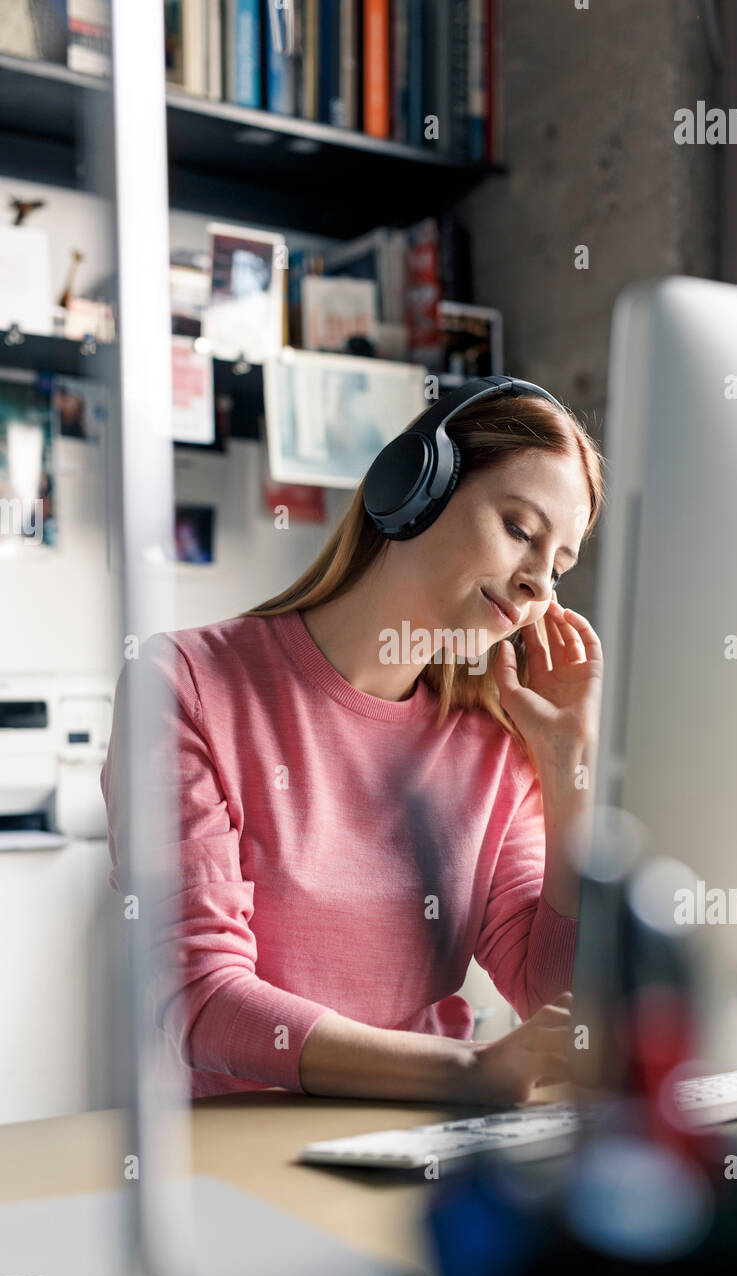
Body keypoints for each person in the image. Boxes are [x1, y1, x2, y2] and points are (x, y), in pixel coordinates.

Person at [100, 385, 606, 1104]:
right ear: (414, 490)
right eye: (521, 530)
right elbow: (200, 995)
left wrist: (569, 767)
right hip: (243, 1161)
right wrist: (467, 1071)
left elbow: (550, 997)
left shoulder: (496, 740)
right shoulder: (183, 685)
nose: (536, 585)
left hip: (432, 1147)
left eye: (559, 566)